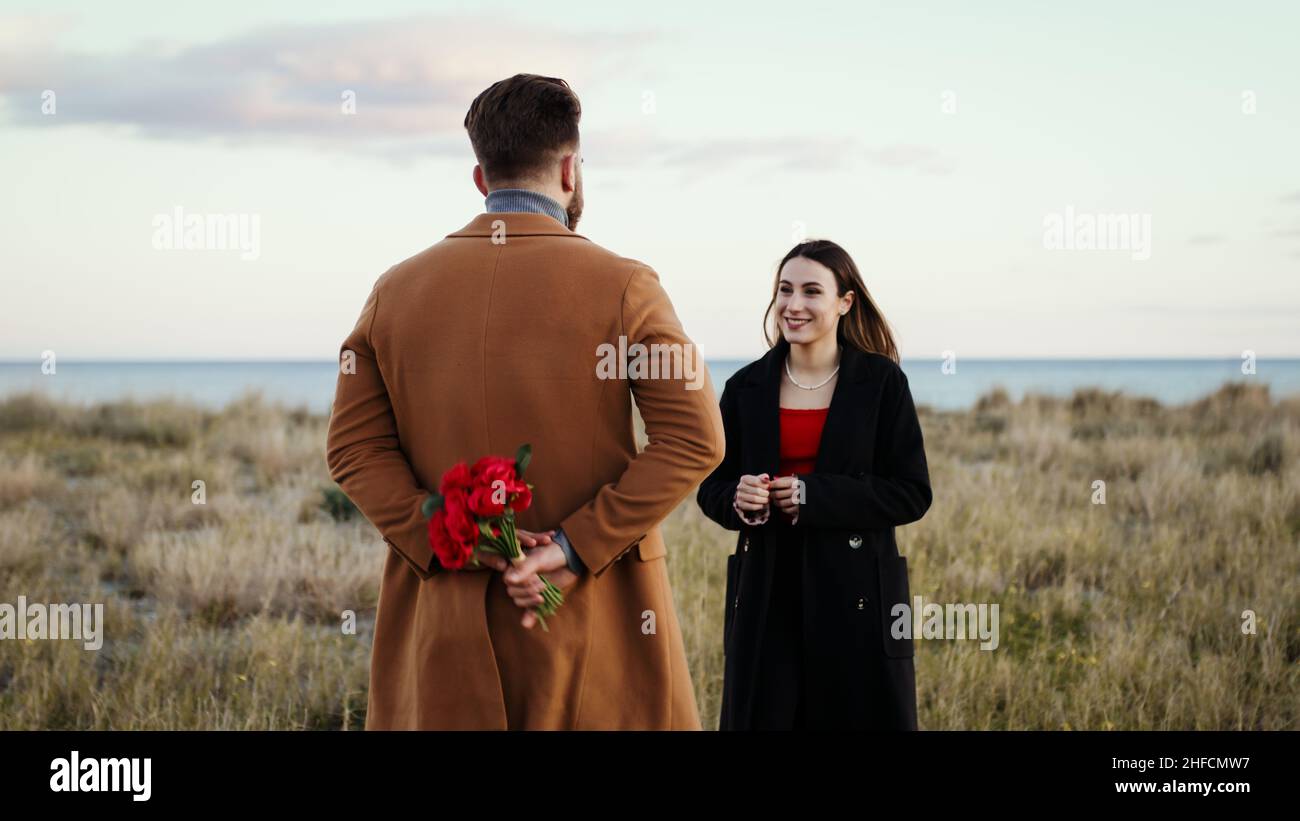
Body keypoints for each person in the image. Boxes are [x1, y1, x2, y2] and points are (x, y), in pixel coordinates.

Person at [326, 73, 724, 729]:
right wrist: (571, 548)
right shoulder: (626, 286)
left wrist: (451, 540)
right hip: (595, 626)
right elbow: (696, 440)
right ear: (570, 169)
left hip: (443, 627)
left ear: (480, 178)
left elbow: (353, 449)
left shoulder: (393, 291)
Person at [696, 239, 932, 730]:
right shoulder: (745, 388)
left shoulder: (882, 384)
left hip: (857, 599)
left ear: (844, 303)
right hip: (765, 597)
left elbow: (911, 491)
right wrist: (741, 501)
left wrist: (813, 496)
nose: (793, 304)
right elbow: (711, 487)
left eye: (811, 291)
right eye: (785, 290)